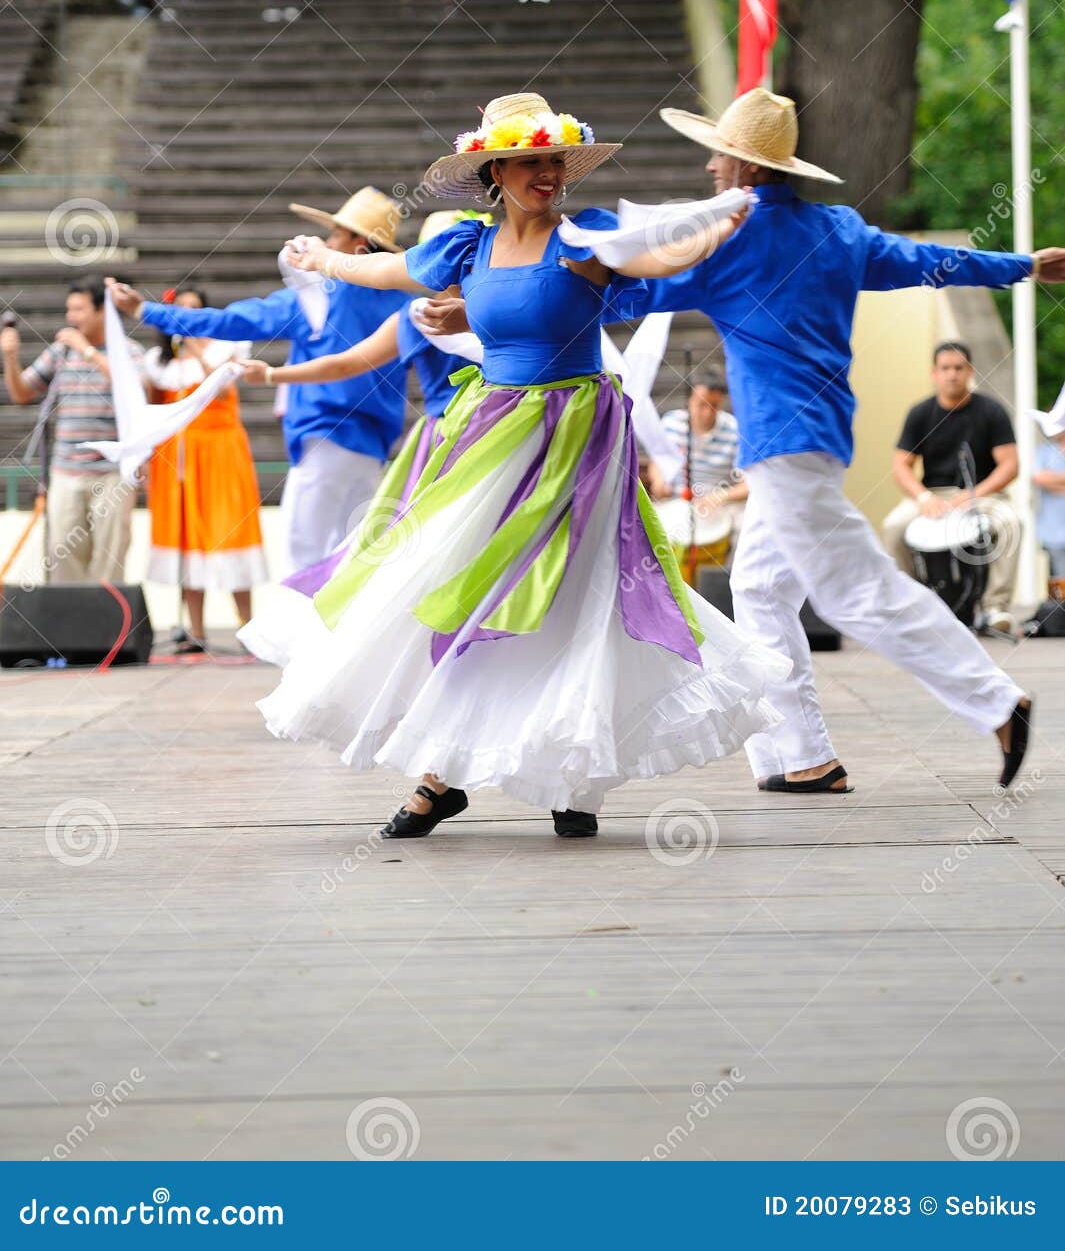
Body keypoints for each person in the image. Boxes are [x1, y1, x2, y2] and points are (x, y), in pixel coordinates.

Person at [240, 91, 788, 843]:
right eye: (531, 161)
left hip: (578, 442)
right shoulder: (467, 247)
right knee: (459, 584)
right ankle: (440, 777)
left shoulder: (584, 237)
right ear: (494, 171)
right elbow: (394, 271)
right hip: (493, 435)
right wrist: (324, 257)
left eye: (555, 161)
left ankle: (574, 777)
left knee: (581, 599)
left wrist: (717, 219)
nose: (548, 173)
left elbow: (660, 252)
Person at [618, 87, 1065, 795]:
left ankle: (995, 701)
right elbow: (930, 263)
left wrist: (536, 282)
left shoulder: (729, 243)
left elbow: (631, 295)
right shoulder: (839, 231)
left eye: (720, 157)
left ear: (748, 171)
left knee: (857, 592)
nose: (709, 168)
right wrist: (1021, 266)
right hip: (811, 441)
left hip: (783, 446)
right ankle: (803, 757)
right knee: (759, 590)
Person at [107, 188, 410, 578]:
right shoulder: (401, 300)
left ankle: (299, 638)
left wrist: (143, 309)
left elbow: (226, 322)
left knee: (306, 557)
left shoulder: (317, 298)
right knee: (356, 563)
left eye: (335, 234)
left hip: (323, 433)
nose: (327, 241)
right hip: (374, 444)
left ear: (354, 242)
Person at [239, 212, 475, 596]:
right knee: (396, 545)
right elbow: (346, 364)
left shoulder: (423, 308)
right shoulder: (418, 310)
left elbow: (345, 364)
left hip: (457, 436)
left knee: (341, 545)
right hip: (448, 436)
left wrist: (270, 375)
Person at [143, 287, 268, 654]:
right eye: (182, 311)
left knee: (230, 531)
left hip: (220, 450)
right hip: (177, 456)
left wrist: (195, 345)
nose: (189, 316)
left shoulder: (224, 349)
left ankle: (248, 628)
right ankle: (195, 631)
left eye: (196, 310)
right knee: (187, 537)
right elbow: (154, 409)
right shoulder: (160, 361)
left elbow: (224, 394)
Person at [1, 277, 144, 583]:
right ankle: (67, 631)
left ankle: (107, 631)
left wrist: (88, 352)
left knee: (109, 562)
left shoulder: (129, 351)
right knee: (61, 557)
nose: (71, 317)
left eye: (79, 309)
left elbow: (136, 390)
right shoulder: (60, 352)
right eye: (69, 310)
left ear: (101, 311)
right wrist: (10, 358)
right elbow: (21, 393)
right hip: (66, 472)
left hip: (112, 475)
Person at [882, 342, 1021, 633]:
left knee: (1011, 521)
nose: (952, 375)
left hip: (982, 493)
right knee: (893, 526)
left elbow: (1009, 465)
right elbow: (901, 465)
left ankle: (996, 607)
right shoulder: (920, 413)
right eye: (946, 368)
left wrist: (974, 494)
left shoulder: (991, 411)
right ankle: (912, 605)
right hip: (932, 495)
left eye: (959, 368)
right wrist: (923, 496)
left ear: (970, 371)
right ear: (935, 373)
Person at [648, 369, 747, 562]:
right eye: (701, 405)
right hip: (675, 502)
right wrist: (658, 480)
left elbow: (749, 482)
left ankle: (726, 585)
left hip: (721, 507)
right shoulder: (670, 423)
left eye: (715, 406)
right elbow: (656, 462)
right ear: (689, 402)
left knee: (746, 532)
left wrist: (722, 496)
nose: (708, 413)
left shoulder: (734, 430)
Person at [1033, 420, 1065, 583]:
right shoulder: (1044, 452)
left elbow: (1046, 478)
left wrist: (1055, 481)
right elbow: (1039, 477)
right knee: (1059, 580)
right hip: (1053, 531)